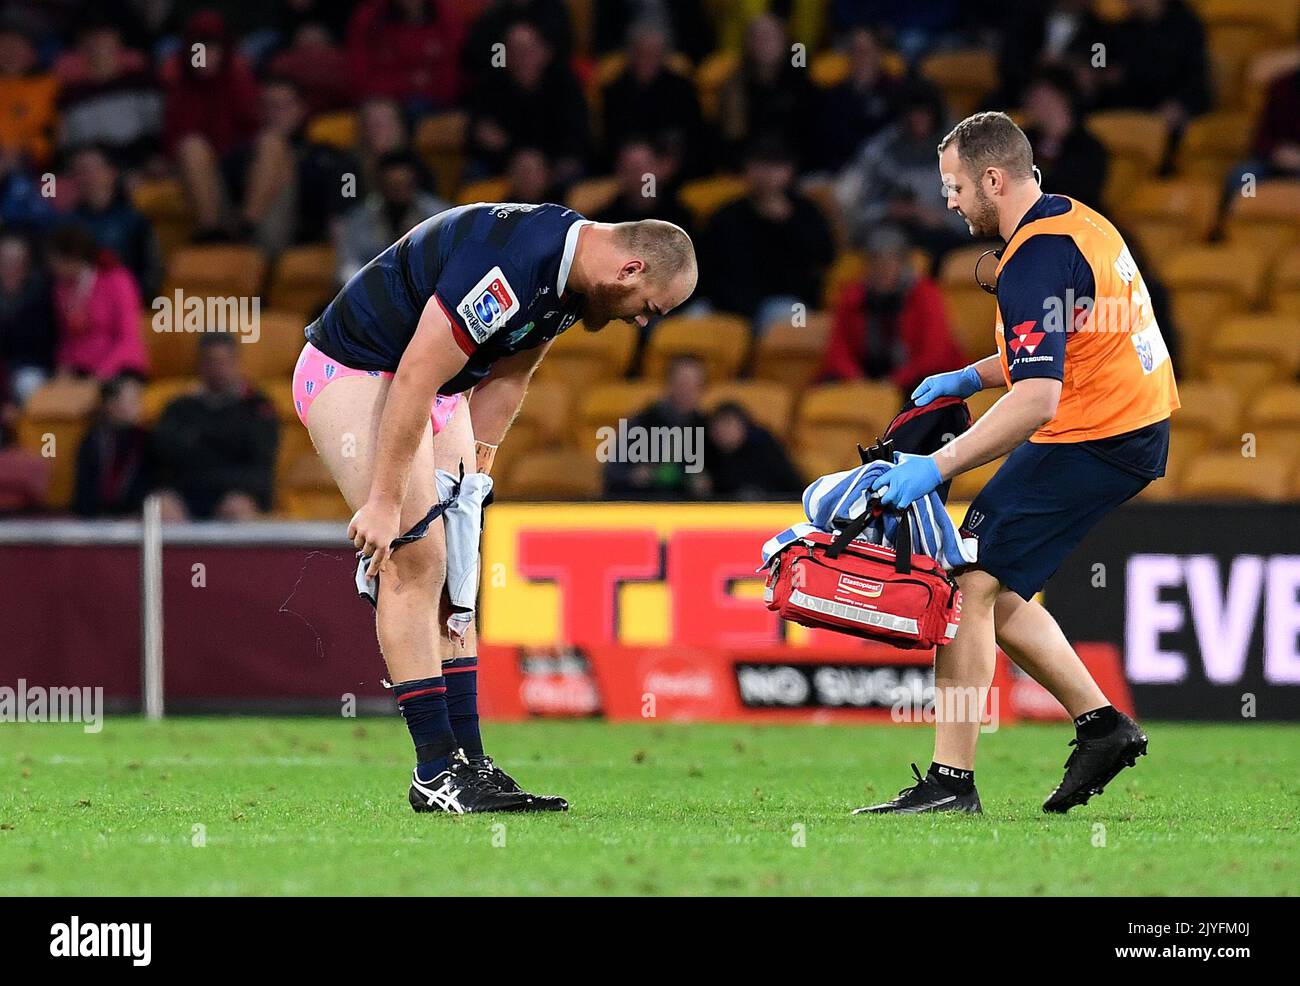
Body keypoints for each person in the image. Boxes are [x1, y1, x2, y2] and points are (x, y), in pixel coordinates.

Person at [296, 203, 696, 812]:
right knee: (419, 561)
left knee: (459, 569)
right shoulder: (511, 264)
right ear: (630, 269)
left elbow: (513, 371)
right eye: (649, 307)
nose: (642, 322)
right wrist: (383, 501)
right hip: (356, 368)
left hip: (438, 388)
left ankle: (469, 764)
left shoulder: (570, 283)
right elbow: (412, 378)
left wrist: (477, 466)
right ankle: (435, 770)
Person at [859, 112, 1178, 815]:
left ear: (993, 179)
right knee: (995, 593)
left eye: (954, 186)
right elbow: (1066, 343)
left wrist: (936, 468)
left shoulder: (1033, 257)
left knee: (966, 581)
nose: (948, 199)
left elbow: (1037, 398)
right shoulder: (1073, 222)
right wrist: (971, 377)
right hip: (1125, 424)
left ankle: (950, 784)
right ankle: (1103, 726)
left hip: (1095, 432)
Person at [819, 226, 963, 391]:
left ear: (903, 264)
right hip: (866, 376)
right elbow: (838, 350)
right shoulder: (853, 296)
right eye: (875, 262)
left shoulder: (925, 295)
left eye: (889, 262)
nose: (881, 270)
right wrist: (856, 380)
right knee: (828, 385)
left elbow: (934, 355)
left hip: (915, 376)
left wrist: (894, 382)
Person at [153, 334, 279, 521]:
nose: (218, 369)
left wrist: (198, 439)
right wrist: (228, 442)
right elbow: (164, 451)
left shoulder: (258, 407)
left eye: (224, 361)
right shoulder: (179, 407)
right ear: (200, 364)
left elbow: (261, 459)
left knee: (237, 508)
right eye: (211, 361)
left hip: (239, 492)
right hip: (188, 492)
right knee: (161, 508)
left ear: (236, 362)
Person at [603, 354, 710, 501]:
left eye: (695, 386)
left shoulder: (708, 427)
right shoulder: (642, 423)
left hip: (691, 514)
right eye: (683, 384)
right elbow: (612, 472)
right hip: (645, 507)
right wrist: (633, 476)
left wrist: (707, 482)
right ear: (668, 384)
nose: (687, 391)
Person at [48, 224, 148, 381]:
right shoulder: (61, 289)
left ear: (73, 258)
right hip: (81, 368)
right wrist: (63, 366)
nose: (53, 268)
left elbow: (128, 337)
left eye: (57, 261)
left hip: (121, 366)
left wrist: (102, 373)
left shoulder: (118, 280)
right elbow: (67, 338)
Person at [73, 371, 153, 517]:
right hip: (95, 519)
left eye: (138, 399)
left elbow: (148, 484)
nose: (139, 406)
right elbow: (85, 486)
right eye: (132, 400)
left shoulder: (147, 440)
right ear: (110, 404)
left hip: (135, 517)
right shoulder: (93, 439)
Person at [702, 401, 803, 501]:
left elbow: (792, 487)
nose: (721, 431)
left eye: (727, 424)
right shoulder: (706, 453)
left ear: (743, 426)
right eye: (716, 425)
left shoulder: (764, 448)